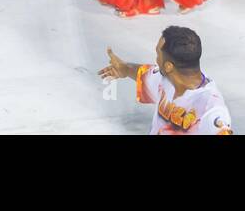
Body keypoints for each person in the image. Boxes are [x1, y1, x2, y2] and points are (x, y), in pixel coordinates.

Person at [98, 28, 234, 134]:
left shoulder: (211, 107)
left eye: (158, 55)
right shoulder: (167, 80)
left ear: (169, 66)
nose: (156, 60)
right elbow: (145, 73)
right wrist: (125, 69)